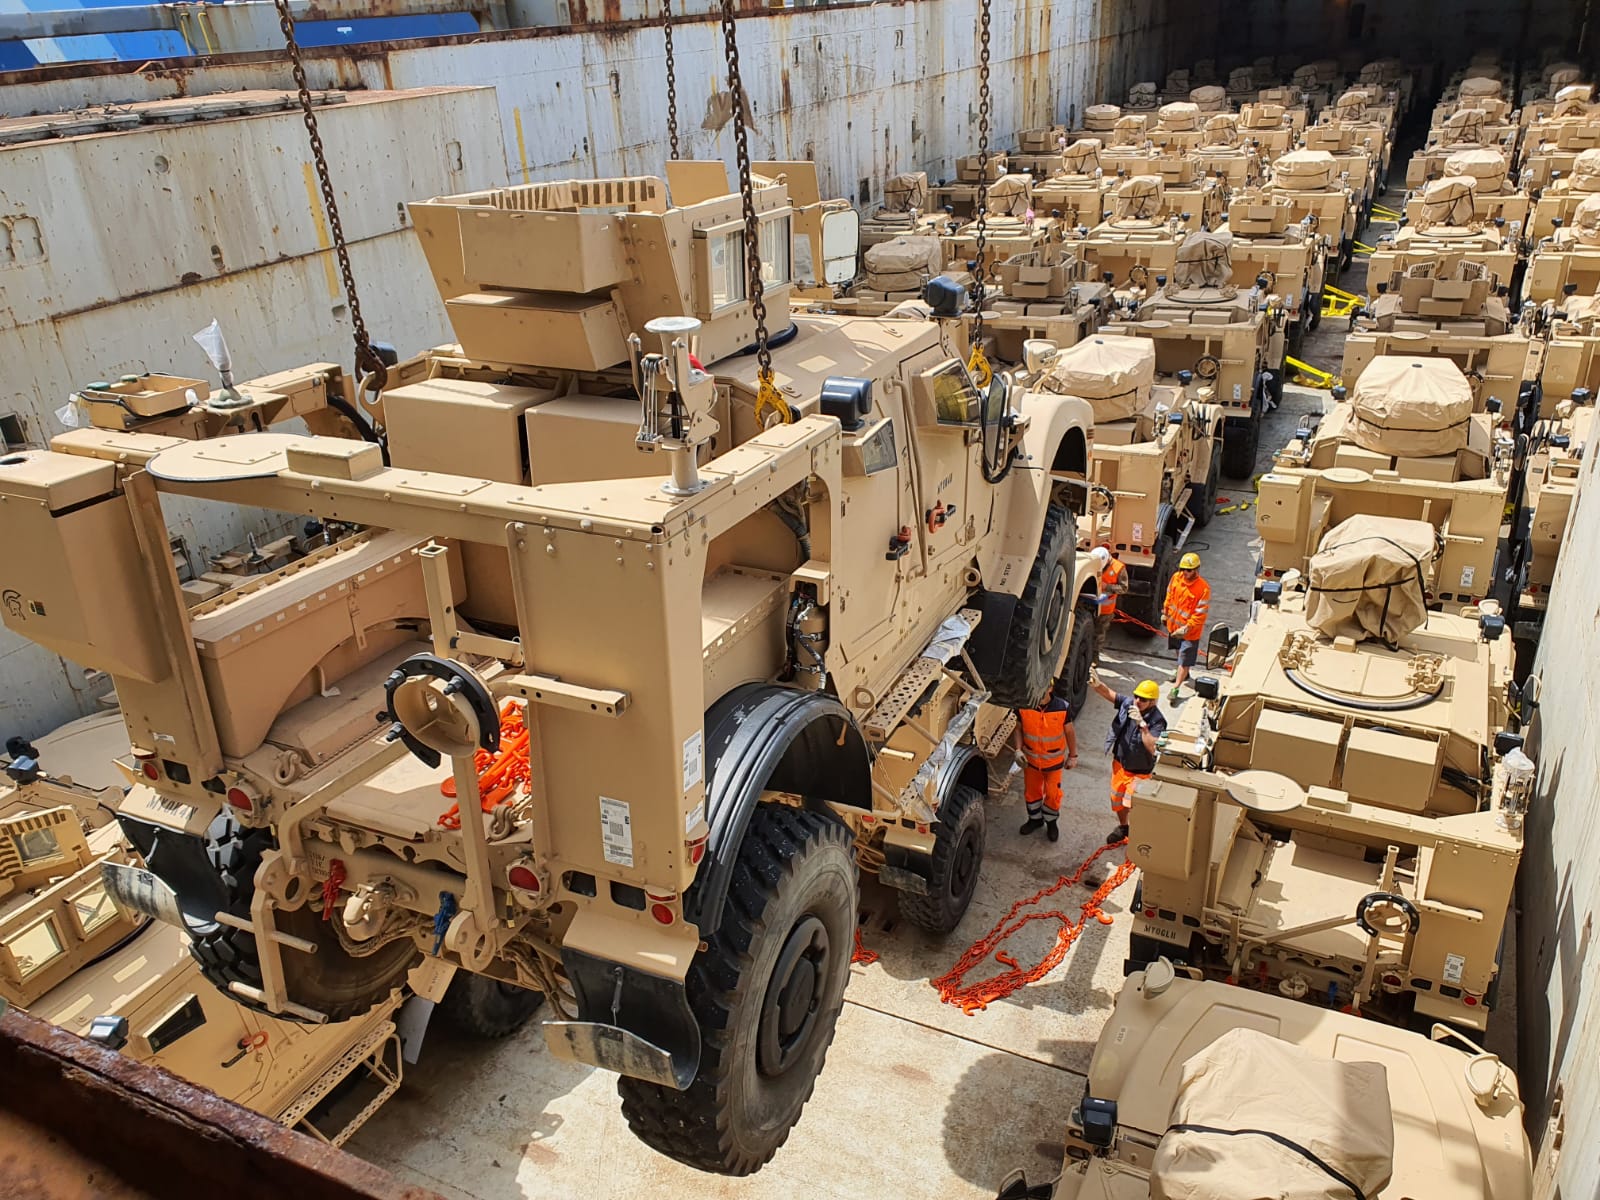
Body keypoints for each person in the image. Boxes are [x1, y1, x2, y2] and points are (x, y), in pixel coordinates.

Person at [1088, 670, 1167, 846]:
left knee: (1135, 807)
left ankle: (1138, 835)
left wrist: (1142, 725)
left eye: (1143, 699)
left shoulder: (1157, 720)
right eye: (1136, 696)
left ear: (1153, 702)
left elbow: (1153, 747)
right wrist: (1097, 685)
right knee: (1117, 801)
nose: (1138, 701)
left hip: (1140, 773)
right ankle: (1124, 827)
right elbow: (1110, 694)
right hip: (1120, 765)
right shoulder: (1129, 704)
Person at [1010, 679, 1078, 842]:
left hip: (1053, 764)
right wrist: (1018, 750)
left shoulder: (1062, 707)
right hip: (1031, 762)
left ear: (1050, 688)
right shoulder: (1024, 706)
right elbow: (1018, 728)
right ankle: (1035, 820)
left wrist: (1073, 756)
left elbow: (1069, 732)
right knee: (1032, 793)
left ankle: (1051, 822)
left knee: (1053, 795)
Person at [1162, 551, 1211, 702]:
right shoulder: (1176, 578)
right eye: (1182, 569)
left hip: (1189, 633)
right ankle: (1184, 674)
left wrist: (1187, 628)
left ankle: (1176, 688)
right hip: (1173, 627)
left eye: (1188, 570)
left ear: (1196, 570)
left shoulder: (1203, 589)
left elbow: (1200, 614)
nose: (1185, 572)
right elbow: (1169, 595)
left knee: (1184, 660)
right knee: (1178, 652)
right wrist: (1165, 612)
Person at [1090, 545, 1128, 656]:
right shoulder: (1093, 562)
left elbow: (1124, 588)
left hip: (1106, 609)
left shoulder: (1119, 568)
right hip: (1090, 604)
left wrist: (1107, 587)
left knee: (1099, 633)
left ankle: (1094, 657)